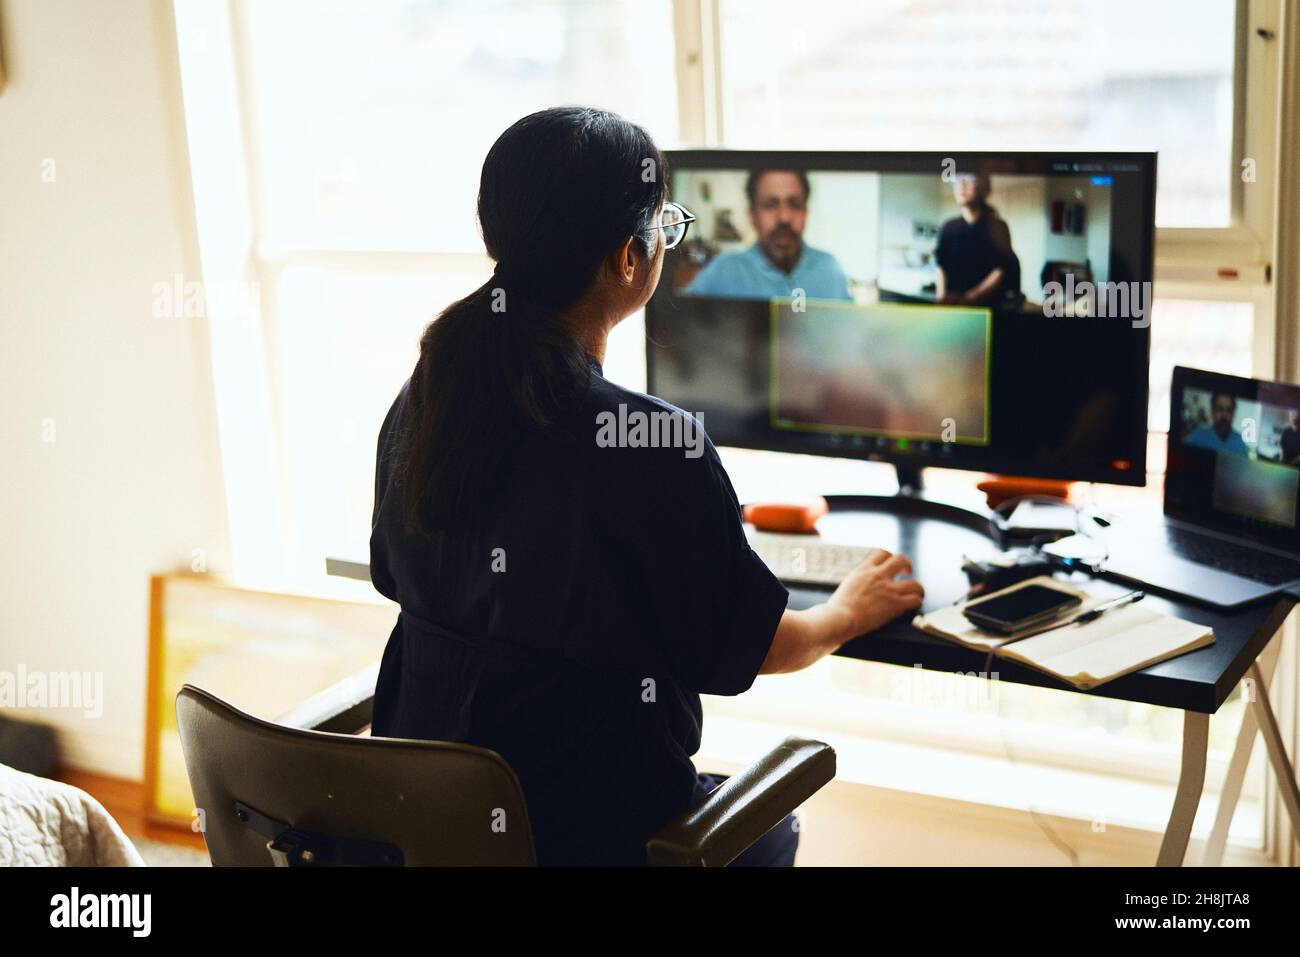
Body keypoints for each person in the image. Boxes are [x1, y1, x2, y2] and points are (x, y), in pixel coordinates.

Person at [368, 108, 923, 867]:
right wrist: (842, 614)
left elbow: (394, 574)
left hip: (427, 833)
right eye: (665, 223)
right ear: (630, 258)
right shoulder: (654, 446)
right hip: (594, 839)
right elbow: (747, 648)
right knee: (770, 830)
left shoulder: (425, 398)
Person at [684, 169, 852, 300]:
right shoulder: (722, 271)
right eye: (770, 205)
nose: (784, 217)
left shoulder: (830, 269)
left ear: (806, 212)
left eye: (795, 204)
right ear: (752, 214)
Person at [935, 172, 1020, 307]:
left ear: (983, 187)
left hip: (987, 308)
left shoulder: (998, 227)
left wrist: (967, 300)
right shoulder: (948, 227)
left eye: (969, 178)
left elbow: (999, 271)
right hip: (953, 308)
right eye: (957, 180)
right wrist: (941, 300)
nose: (961, 185)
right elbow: (941, 268)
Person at [1185, 393, 1250, 455]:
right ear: (1212, 412)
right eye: (1220, 409)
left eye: (1229, 410)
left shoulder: (1240, 442)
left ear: (1233, 414)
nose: (1224, 415)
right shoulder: (1197, 436)